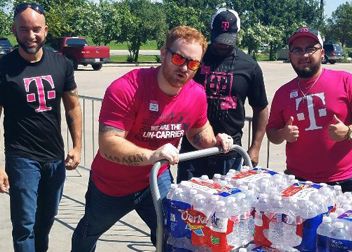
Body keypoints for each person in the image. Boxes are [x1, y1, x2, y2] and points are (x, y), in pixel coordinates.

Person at [71, 25, 233, 251]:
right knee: (89, 232)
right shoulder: (127, 88)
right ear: (163, 53)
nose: (185, 68)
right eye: (178, 58)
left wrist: (217, 141)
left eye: (193, 63)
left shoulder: (195, 93)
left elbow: (198, 133)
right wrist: (152, 155)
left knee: (170, 234)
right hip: (111, 184)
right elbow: (109, 144)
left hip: (156, 179)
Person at [0, 2, 82, 252]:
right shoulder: (3, 68)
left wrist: (77, 147)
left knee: (45, 220)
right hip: (21, 157)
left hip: (54, 158)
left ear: (46, 30)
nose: (31, 35)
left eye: (36, 29)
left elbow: (73, 107)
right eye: (24, 29)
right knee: (25, 225)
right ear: (14, 29)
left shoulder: (61, 63)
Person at [266, 27, 352, 192]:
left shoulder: (346, 81)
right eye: (297, 50)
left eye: (310, 49)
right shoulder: (282, 93)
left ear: (322, 53)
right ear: (290, 56)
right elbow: (272, 132)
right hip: (297, 180)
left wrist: (349, 131)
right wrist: (282, 134)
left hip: (341, 181)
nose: (304, 55)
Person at [177, 8, 269, 182]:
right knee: (189, 206)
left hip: (230, 152)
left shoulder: (249, 66)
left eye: (228, 40)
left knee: (227, 205)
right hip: (194, 149)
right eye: (219, 39)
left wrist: (255, 147)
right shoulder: (196, 59)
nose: (222, 45)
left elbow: (260, 107)